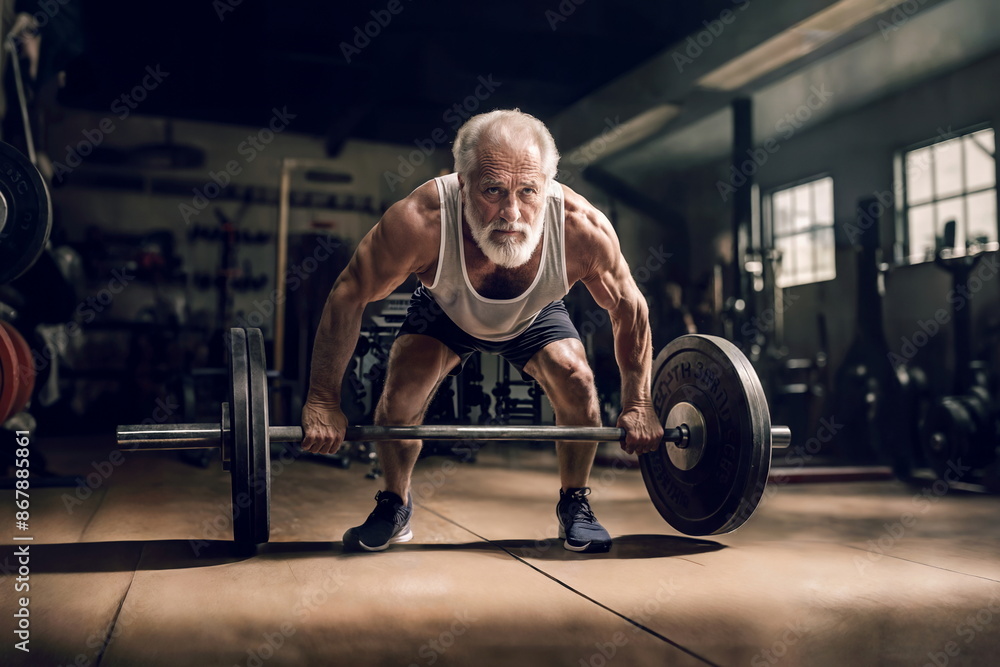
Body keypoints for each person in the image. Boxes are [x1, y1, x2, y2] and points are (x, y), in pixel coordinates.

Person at [301, 109, 663, 553]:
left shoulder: (580, 228)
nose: (511, 212)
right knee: (401, 392)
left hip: (534, 315)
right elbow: (348, 294)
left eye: (527, 191)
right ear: (463, 181)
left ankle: (575, 502)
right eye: (493, 190)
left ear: (546, 185)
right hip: (446, 310)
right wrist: (322, 400)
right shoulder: (420, 221)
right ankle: (395, 503)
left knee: (578, 380)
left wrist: (639, 403)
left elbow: (630, 307)